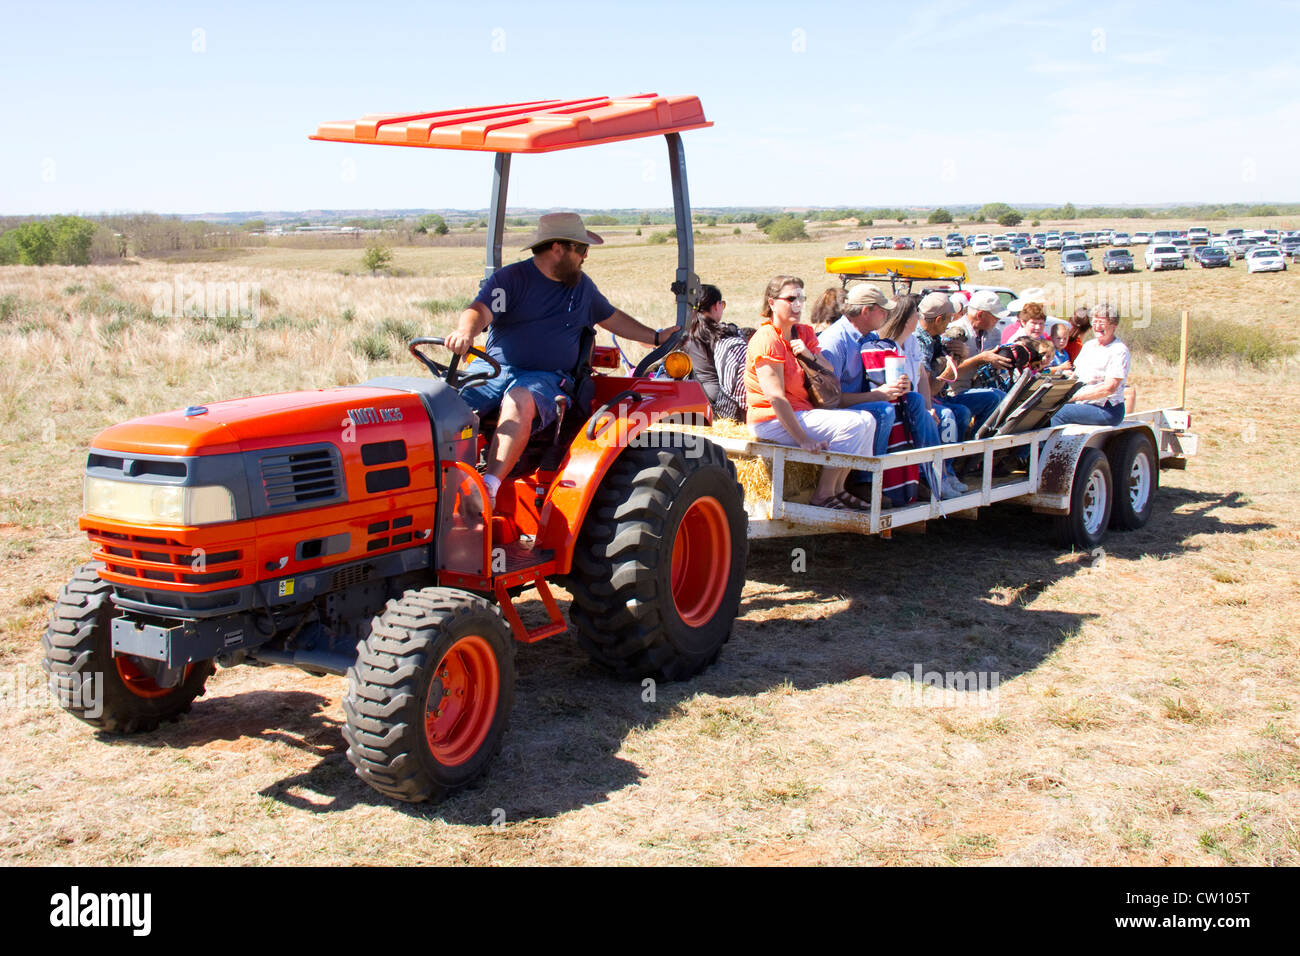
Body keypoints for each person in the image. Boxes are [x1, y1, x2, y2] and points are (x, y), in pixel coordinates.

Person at [446, 212, 675, 506]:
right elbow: (480, 310)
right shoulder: (512, 279)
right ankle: (442, 482)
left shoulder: (581, 288)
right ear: (558, 249)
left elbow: (613, 318)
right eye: (581, 248)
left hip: (546, 376)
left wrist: (655, 338)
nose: (586, 256)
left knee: (520, 399)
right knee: (444, 401)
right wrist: (466, 332)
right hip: (494, 369)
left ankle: (486, 488)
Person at [745, 275, 876, 511]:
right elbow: (776, 398)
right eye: (791, 298)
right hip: (771, 420)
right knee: (853, 425)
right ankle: (823, 494)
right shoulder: (767, 340)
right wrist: (802, 440)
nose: (798, 305)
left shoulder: (803, 332)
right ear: (772, 302)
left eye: (801, 298)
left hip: (802, 413)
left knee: (868, 420)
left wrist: (808, 354)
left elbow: (829, 368)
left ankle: (837, 489)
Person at [816, 283, 908, 456]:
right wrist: (878, 395)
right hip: (836, 412)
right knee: (883, 411)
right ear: (865, 311)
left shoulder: (871, 337)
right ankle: (868, 478)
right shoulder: (834, 342)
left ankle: (917, 472)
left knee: (914, 400)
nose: (887, 315)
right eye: (883, 310)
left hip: (858, 404)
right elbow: (826, 401)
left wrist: (902, 383)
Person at [939, 288, 1010, 433]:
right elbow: (947, 372)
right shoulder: (954, 333)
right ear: (980, 314)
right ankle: (978, 445)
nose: (998, 320)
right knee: (996, 397)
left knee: (1005, 397)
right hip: (954, 392)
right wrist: (981, 359)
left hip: (980, 386)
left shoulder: (994, 333)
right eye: (995, 316)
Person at [1051, 303, 1129, 427]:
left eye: (1102, 323)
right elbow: (1077, 374)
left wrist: (1074, 398)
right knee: (1044, 409)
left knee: (1058, 413)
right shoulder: (1089, 345)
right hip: (1083, 402)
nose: (1097, 326)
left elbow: (1110, 387)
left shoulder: (1119, 350)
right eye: (1095, 321)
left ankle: (1049, 447)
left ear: (1114, 325)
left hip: (1105, 408)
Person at [681, 284, 750, 422]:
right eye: (722, 304)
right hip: (726, 403)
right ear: (716, 306)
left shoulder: (685, 335)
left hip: (697, 400)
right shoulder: (725, 333)